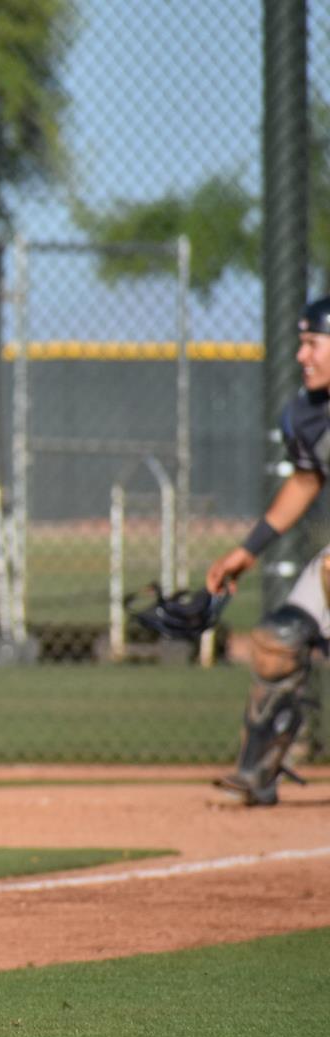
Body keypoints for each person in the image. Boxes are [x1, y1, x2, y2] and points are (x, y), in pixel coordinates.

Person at [205, 294, 330, 806]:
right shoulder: (305, 413)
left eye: (313, 344)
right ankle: (257, 775)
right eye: (301, 344)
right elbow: (306, 480)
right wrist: (248, 549)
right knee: (279, 639)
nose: (302, 356)